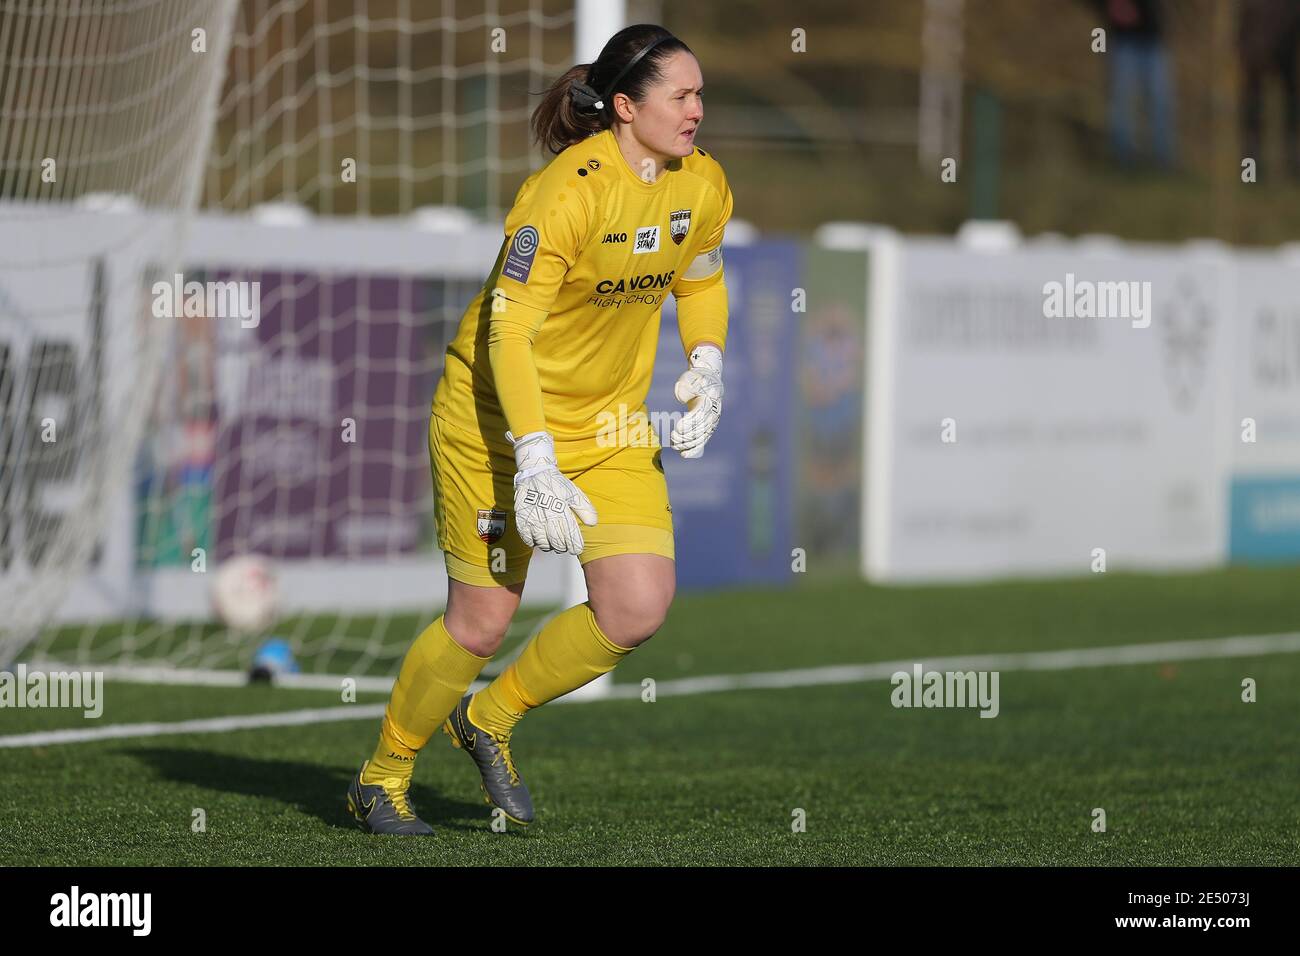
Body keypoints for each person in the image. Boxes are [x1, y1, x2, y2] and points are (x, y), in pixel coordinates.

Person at [346, 23, 733, 834]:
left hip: (611, 426)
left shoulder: (700, 184)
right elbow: (507, 334)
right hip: (493, 423)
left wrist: (707, 361)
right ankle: (382, 777)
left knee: (636, 607)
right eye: (682, 95)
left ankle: (488, 720)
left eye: (700, 94)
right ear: (626, 107)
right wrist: (532, 455)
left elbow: (700, 278)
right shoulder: (565, 191)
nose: (698, 110)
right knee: (482, 620)